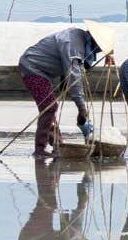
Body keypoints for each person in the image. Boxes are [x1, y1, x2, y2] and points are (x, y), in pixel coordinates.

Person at [17, 20, 115, 156]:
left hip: (45, 72)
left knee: (50, 108)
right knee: (49, 107)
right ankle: (40, 149)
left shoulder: (81, 41)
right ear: (94, 39)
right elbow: (74, 74)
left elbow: (74, 69)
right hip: (32, 67)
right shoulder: (73, 42)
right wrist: (82, 108)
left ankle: (58, 144)